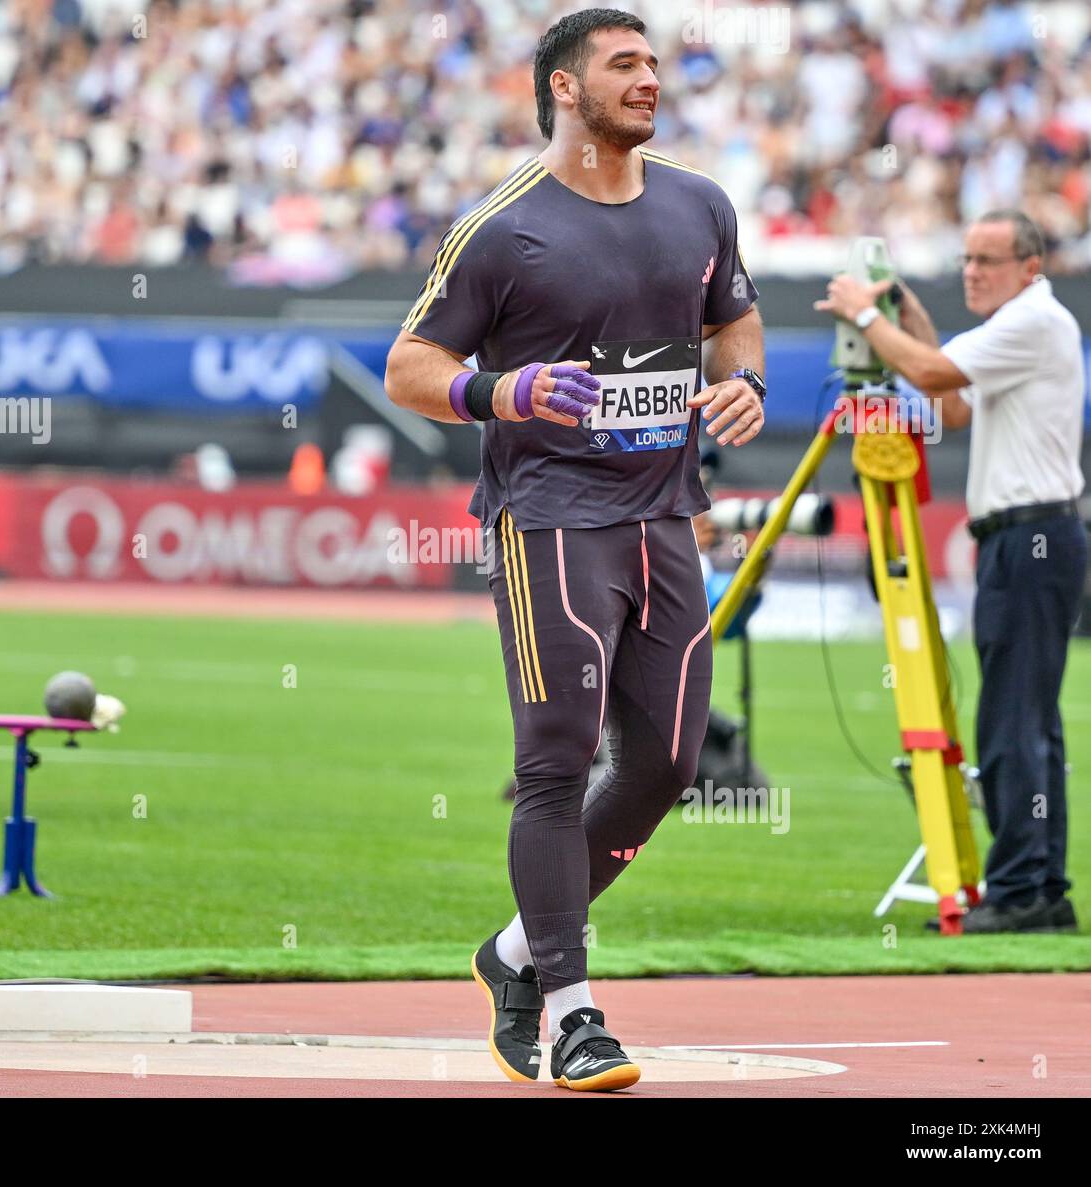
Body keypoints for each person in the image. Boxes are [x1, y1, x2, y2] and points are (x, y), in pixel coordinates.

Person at [384, 8, 766, 1090]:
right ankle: (571, 1007)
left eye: (653, 62)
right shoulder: (502, 226)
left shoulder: (699, 203)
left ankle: (509, 952)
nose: (651, 79)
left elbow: (733, 316)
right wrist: (498, 389)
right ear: (564, 88)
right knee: (554, 759)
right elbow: (407, 364)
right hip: (549, 518)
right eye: (624, 65)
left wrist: (744, 381)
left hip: (663, 519)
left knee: (666, 766)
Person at [816, 210, 1085, 935]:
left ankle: (1024, 888)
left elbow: (933, 377)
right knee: (1027, 720)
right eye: (966, 257)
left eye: (988, 260)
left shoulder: (1033, 321)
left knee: (1012, 722)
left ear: (1031, 266)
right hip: (1026, 536)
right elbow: (953, 406)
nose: (972, 270)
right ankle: (1040, 886)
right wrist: (913, 320)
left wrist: (866, 313)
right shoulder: (1025, 323)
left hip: (1031, 535)